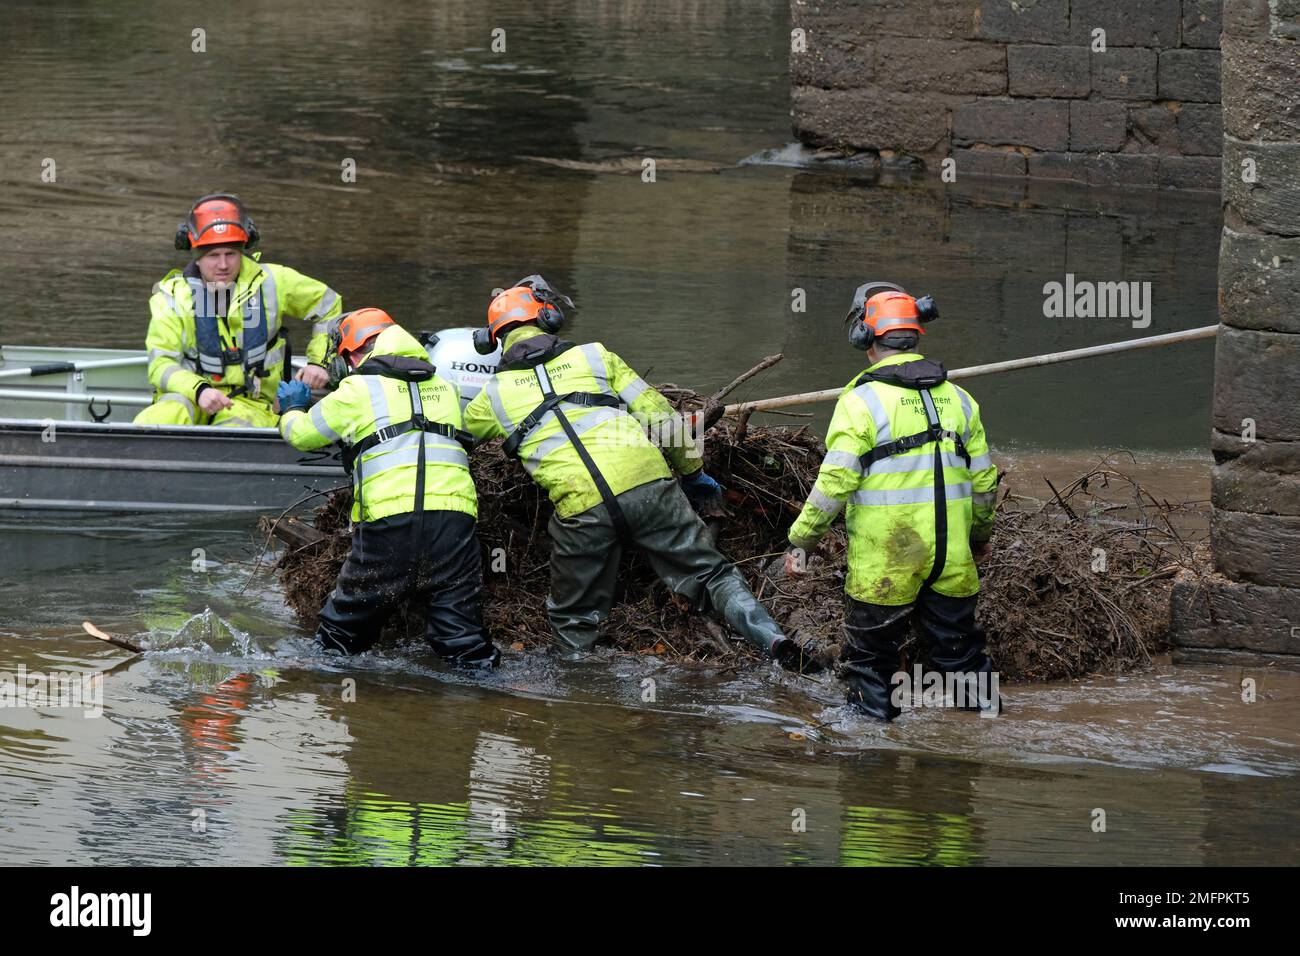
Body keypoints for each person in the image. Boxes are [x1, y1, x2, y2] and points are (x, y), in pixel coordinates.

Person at [462, 275, 815, 671]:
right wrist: (693, 472)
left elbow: (457, 443)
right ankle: (776, 642)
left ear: (493, 340)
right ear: (547, 317)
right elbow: (662, 417)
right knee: (712, 574)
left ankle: (579, 693)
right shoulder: (595, 356)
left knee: (573, 619)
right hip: (648, 484)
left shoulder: (490, 396)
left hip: (582, 508)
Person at [785, 283, 999, 719]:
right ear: (916, 335)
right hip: (951, 560)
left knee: (870, 668)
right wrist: (978, 537)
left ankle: (871, 768)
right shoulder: (961, 400)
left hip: (887, 562)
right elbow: (984, 483)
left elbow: (835, 483)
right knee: (962, 663)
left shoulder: (860, 403)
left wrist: (801, 540)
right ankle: (978, 743)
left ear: (866, 339)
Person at [276, 308, 499, 667]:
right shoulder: (446, 388)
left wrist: (292, 408)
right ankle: (482, 695)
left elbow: (303, 436)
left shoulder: (357, 388)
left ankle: (326, 687)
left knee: (342, 633)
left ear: (351, 353)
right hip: (455, 522)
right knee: (463, 638)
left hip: (390, 523)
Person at [135, 193, 342, 427]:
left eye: (231, 254)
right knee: (159, 418)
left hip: (252, 403)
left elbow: (328, 305)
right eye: (213, 256)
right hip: (191, 395)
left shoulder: (274, 281)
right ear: (197, 257)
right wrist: (199, 390)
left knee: (234, 429)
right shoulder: (171, 297)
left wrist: (320, 362)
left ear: (243, 251)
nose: (223, 265)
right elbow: (160, 364)